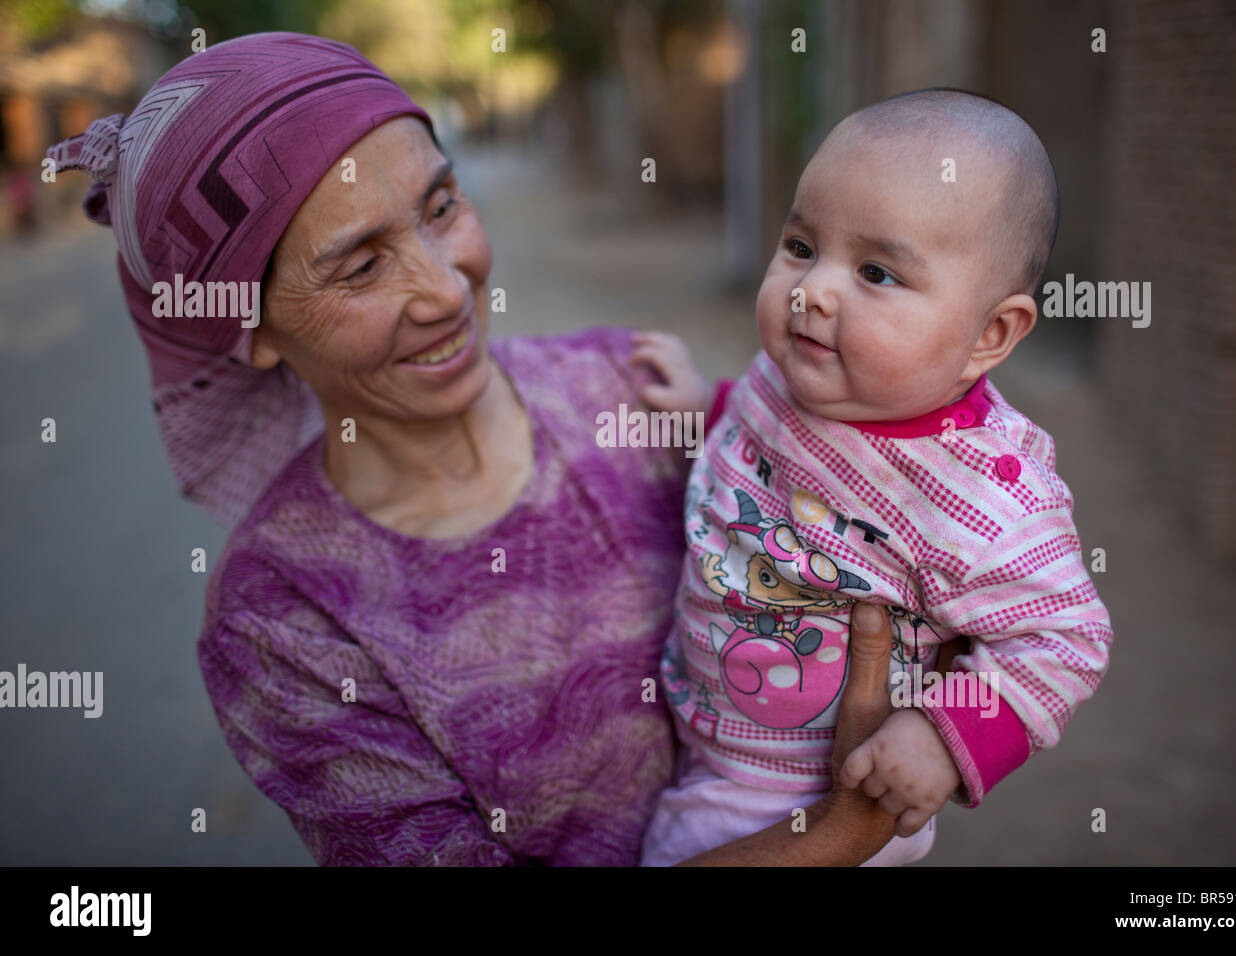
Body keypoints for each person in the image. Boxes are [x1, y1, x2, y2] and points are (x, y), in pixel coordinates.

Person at [45, 32, 946, 866]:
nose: (446, 287)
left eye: (441, 205)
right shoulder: (282, 623)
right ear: (252, 331)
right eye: (359, 266)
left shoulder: (621, 384)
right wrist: (837, 836)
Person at [633, 90, 1114, 866]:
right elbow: (759, 424)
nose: (813, 290)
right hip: (701, 730)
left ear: (989, 334)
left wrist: (938, 734)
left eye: (878, 272)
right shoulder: (798, 372)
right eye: (799, 246)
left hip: (798, 795)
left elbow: (1066, 638)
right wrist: (702, 405)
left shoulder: (986, 497)